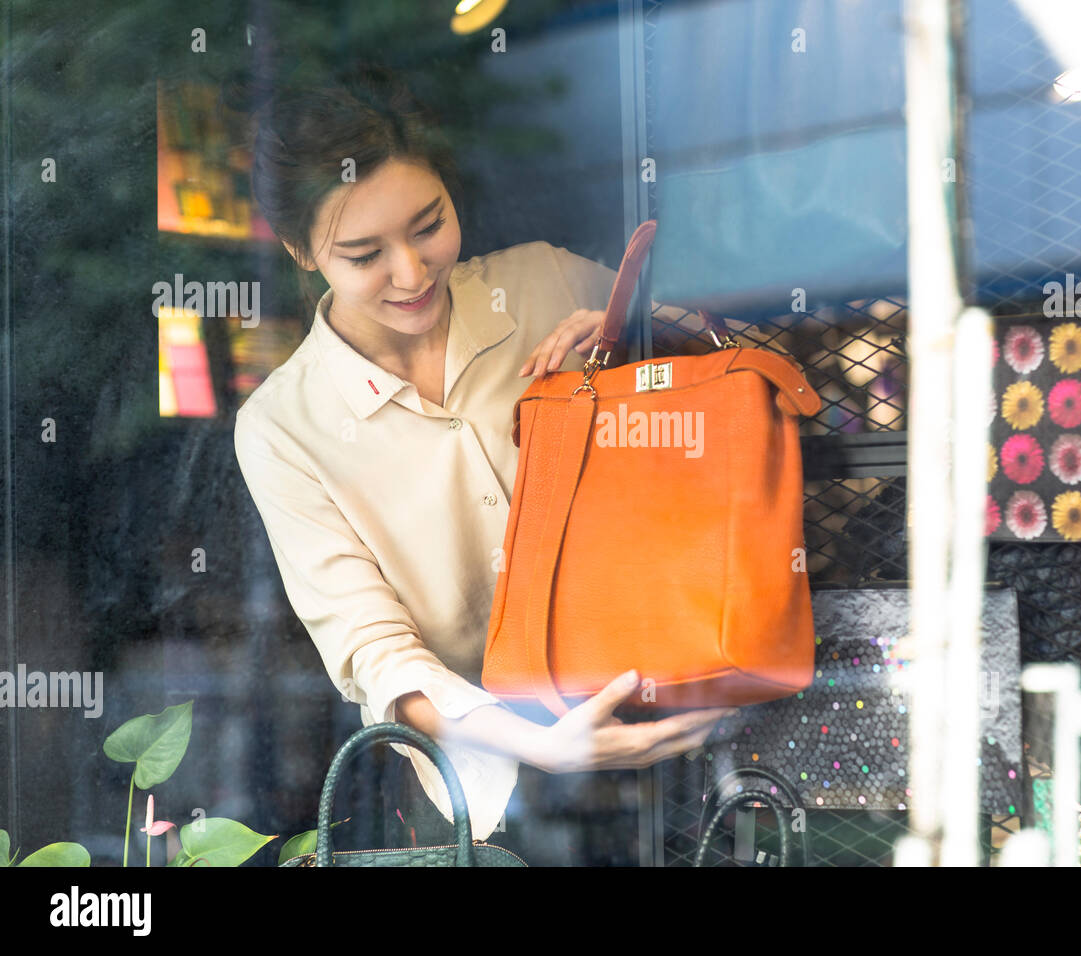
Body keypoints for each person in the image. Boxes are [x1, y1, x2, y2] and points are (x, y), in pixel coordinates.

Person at [227, 64, 735, 864]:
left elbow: (729, 365)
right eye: (364, 253)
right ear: (299, 250)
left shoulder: (542, 283)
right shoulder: (282, 427)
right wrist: (548, 745)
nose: (411, 271)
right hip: (476, 793)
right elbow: (376, 653)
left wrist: (644, 331)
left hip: (670, 703)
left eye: (428, 225)